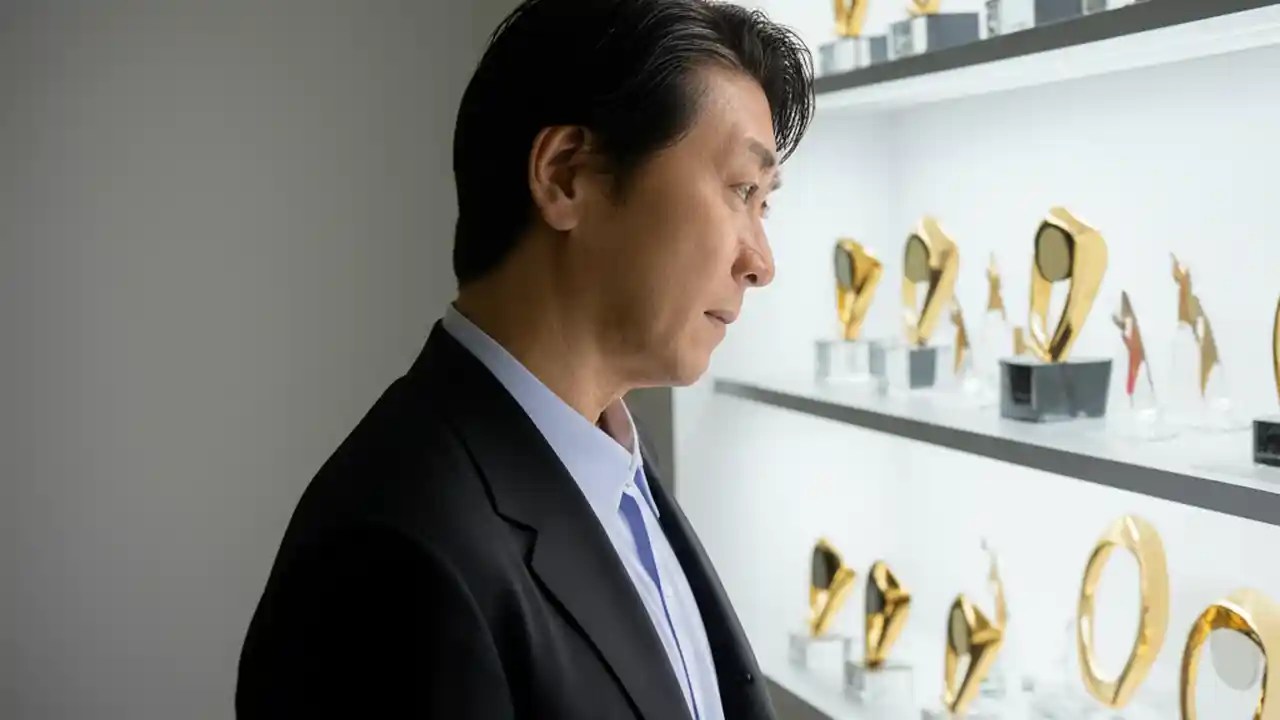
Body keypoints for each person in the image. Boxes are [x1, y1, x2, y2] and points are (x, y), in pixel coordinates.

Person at [235, 0, 813, 717]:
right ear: (567, 175)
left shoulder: (615, 464)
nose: (761, 262)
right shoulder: (389, 557)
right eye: (740, 191)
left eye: (765, 205)